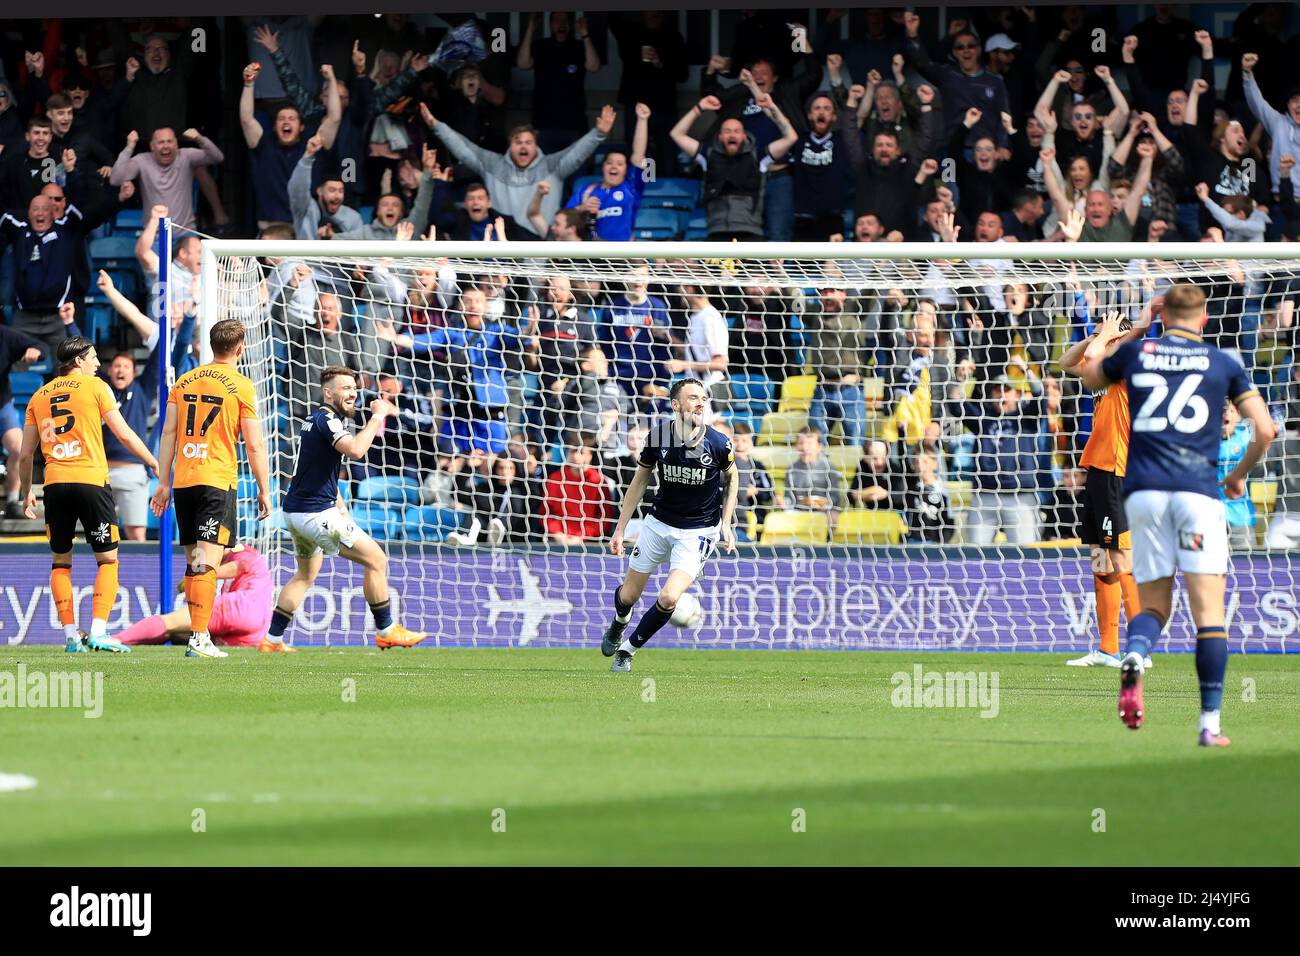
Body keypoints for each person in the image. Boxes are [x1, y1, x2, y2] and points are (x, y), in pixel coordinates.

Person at [1077, 288, 1276, 746]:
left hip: (1142, 494)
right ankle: (1209, 724)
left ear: (1162, 314)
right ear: (1204, 318)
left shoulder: (1136, 353)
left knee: (1152, 606)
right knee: (1209, 617)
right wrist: (1239, 477)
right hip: (1197, 493)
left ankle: (1135, 651)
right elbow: (1265, 429)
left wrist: (1111, 334)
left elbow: (1089, 375)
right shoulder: (1222, 364)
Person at [266, 365, 426, 651]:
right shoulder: (328, 421)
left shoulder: (318, 420)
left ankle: (272, 640)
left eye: (354, 388)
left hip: (299, 512)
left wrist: (340, 507)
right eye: (345, 388)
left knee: (304, 575)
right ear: (328, 393)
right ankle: (387, 630)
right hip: (314, 514)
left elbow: (319, 472)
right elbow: (355, 450)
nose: (352, 393)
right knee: (377, 560)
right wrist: (378, 416)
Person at [17, 336, 158, 653]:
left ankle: (70, 636)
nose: (99, 364)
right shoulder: (96, 388)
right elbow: (122, 432)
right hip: (91, 481)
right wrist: (152, 462)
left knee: (60, 563)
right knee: (108, 559)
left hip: (54, 484)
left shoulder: (38, 396)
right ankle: (97, 631)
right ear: (78, 361)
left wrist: (27, 493)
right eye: (94, 358)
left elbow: (25, 456)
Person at [150, 319, 273, 659]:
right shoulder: (242, 386)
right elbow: (255, 445)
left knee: (195, 563)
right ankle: (199, 637)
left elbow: (169, 433)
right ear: (239, 349)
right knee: (206, 564)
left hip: (184, 481)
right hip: (216, 481)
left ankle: (197, 635)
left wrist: (163, 481)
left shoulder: (185, 380)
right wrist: (264, 488)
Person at [602, 379, 738, 673]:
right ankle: (619, 622)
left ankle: (627, 651)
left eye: (703, 397)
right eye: (692, 398)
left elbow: (733, 478)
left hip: (699, 530)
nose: (700, 402)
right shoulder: (658, 437)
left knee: (669, 596)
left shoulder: (718, 443)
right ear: (675, 405)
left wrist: (726, 524)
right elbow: (640, 480)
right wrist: (620, 528)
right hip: (659, 523)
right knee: (628, 596)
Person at [1059, 311, 1148, 668]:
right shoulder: (1100, 366)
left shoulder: (1125, 370)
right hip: (1096, 471)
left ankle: (1141, 647)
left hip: (1116, 471)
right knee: (1100, 560)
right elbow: (1066, 363)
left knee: (1121, 559)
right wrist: (1095, 335)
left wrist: (1110, 335)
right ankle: (1108, 649)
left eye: (1103, 334)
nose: (1096, 339)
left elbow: (1098, 356)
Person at [115, 544, 276, 649]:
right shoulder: (249, 558)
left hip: (238, 606)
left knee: (170, 621)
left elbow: (240, 566)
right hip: (258, 625)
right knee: (183, 634)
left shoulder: (243, 552)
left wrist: (197, 575)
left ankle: (115, 639)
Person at [0, 324, 45, 518]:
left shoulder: (4, 335)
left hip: (1, 405)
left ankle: (12, 501)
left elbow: (40, 346)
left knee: (19, 448)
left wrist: (35, 351)